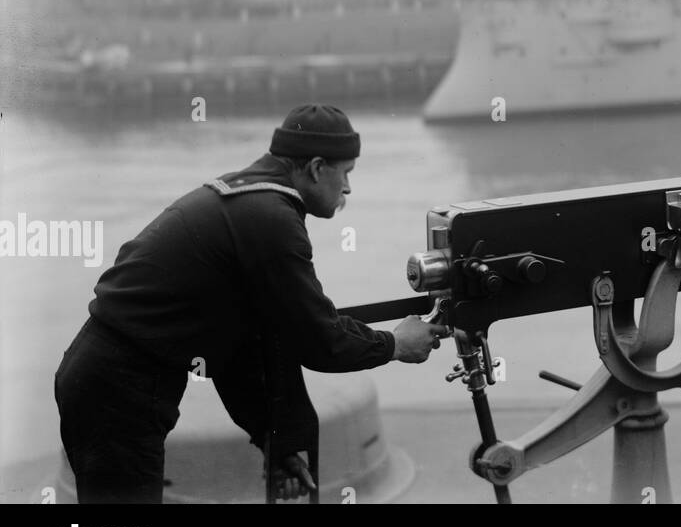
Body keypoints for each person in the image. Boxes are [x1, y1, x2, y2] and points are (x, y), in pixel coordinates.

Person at [53, 104, 439, 503]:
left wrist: (278, 439)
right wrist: (395, 345)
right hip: (118, 392)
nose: (348, 189)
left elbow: (244, 348)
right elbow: (319, 340)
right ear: (318, 167)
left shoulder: (247, 200)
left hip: (104, 378)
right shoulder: (272, 219)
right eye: (347, 173)